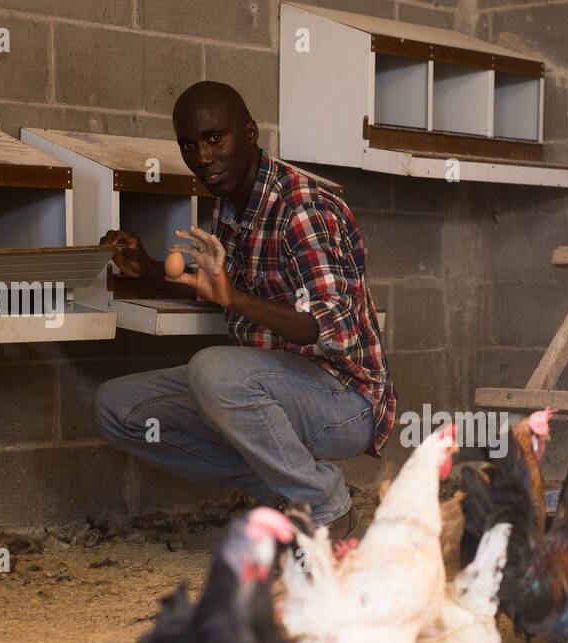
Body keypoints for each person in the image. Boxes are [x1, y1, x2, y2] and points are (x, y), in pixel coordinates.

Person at [93, 81, 395, 539]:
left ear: (250, 133)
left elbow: (330, 327)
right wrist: (148, 270)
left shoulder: (301, 207)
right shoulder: (232, 205)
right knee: (118, 407)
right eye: (190, 145)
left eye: (215, 138)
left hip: (343, 401)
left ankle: (329, 512)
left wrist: (233, 299)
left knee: (215, 371)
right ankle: (292, 501)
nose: (203, 157)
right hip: (273, 390)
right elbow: (218, 286)